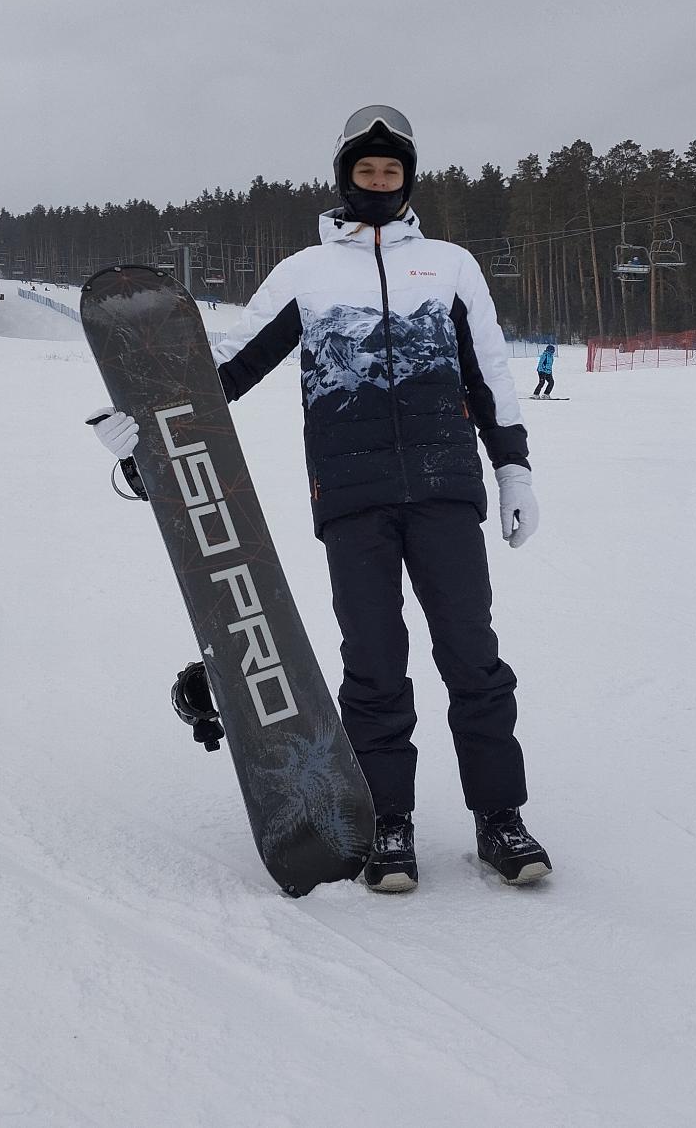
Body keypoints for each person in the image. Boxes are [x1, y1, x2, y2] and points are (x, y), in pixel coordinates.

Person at [88, 105, 551, 890]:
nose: (379, 182)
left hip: (444, 489)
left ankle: (498, 819)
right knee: (373, 665)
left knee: (473, 657)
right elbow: (217, 374)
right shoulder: (305, 274)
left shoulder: (449, 266)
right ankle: (388, 822)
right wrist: (146, 442)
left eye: (391, 170)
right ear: (345, 178)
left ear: (408, 178)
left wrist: (513, 468)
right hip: (352, 496)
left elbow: (490, 372)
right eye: (366, 171)